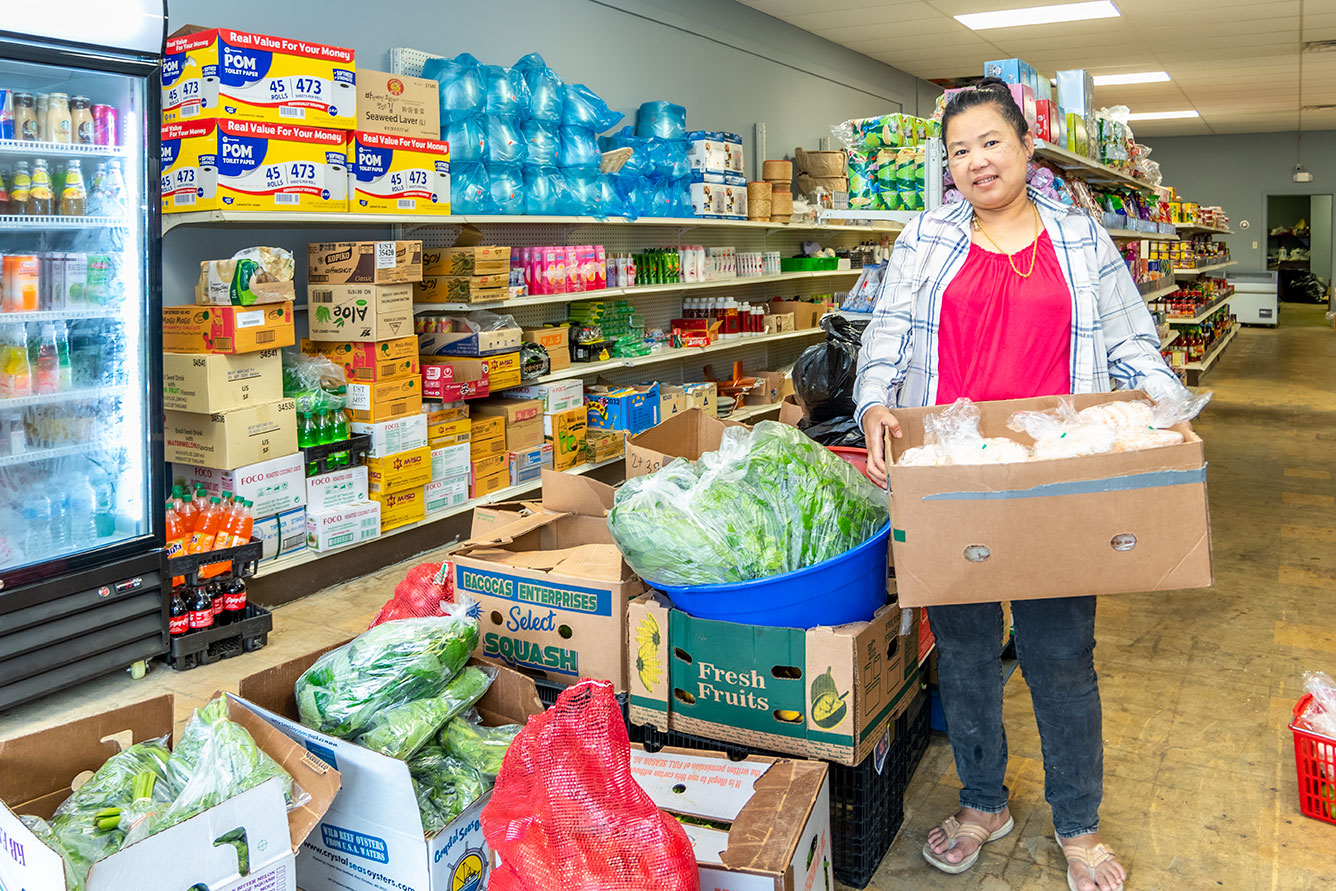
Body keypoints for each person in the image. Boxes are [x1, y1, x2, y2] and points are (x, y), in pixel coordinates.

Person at [854, 79, 1187, 891]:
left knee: (1061, 655)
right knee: (965, 655)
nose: (975, 161)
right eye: (959, 150)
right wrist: (872, 407)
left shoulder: (1080, 237)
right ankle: (982, 803)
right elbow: (886, 336)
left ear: (1026, 144)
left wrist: (1166, 410)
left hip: (1056, 479)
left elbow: (1131, 339)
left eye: (989, 143)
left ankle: (1077, 824)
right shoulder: (925, 236)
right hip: (953, 476)